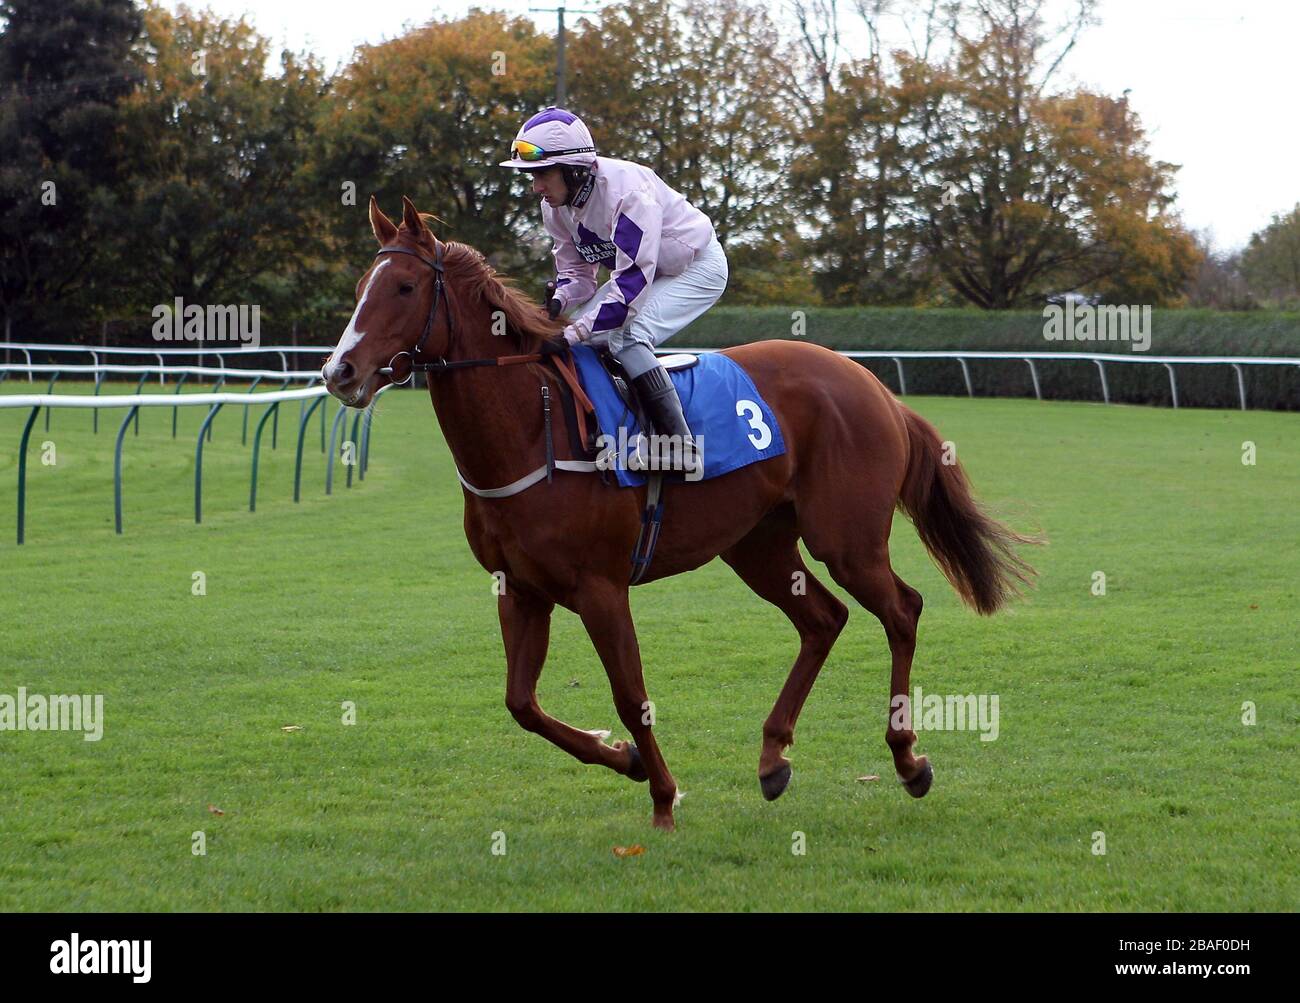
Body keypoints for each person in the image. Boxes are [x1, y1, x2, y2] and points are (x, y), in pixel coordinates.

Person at [499, 106, 728, 470]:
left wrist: (573, 333)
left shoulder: (627, 193)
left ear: (574, 170)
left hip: (697, 267)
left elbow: (632, 285)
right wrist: (558, 304)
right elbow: (578, 276)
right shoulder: (555, 207)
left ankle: (679, 444)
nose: (536, 187)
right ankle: (611, 432)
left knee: (627, 335)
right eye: (532, 176)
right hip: (646, 272)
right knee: (584, 333)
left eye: (542, 174)